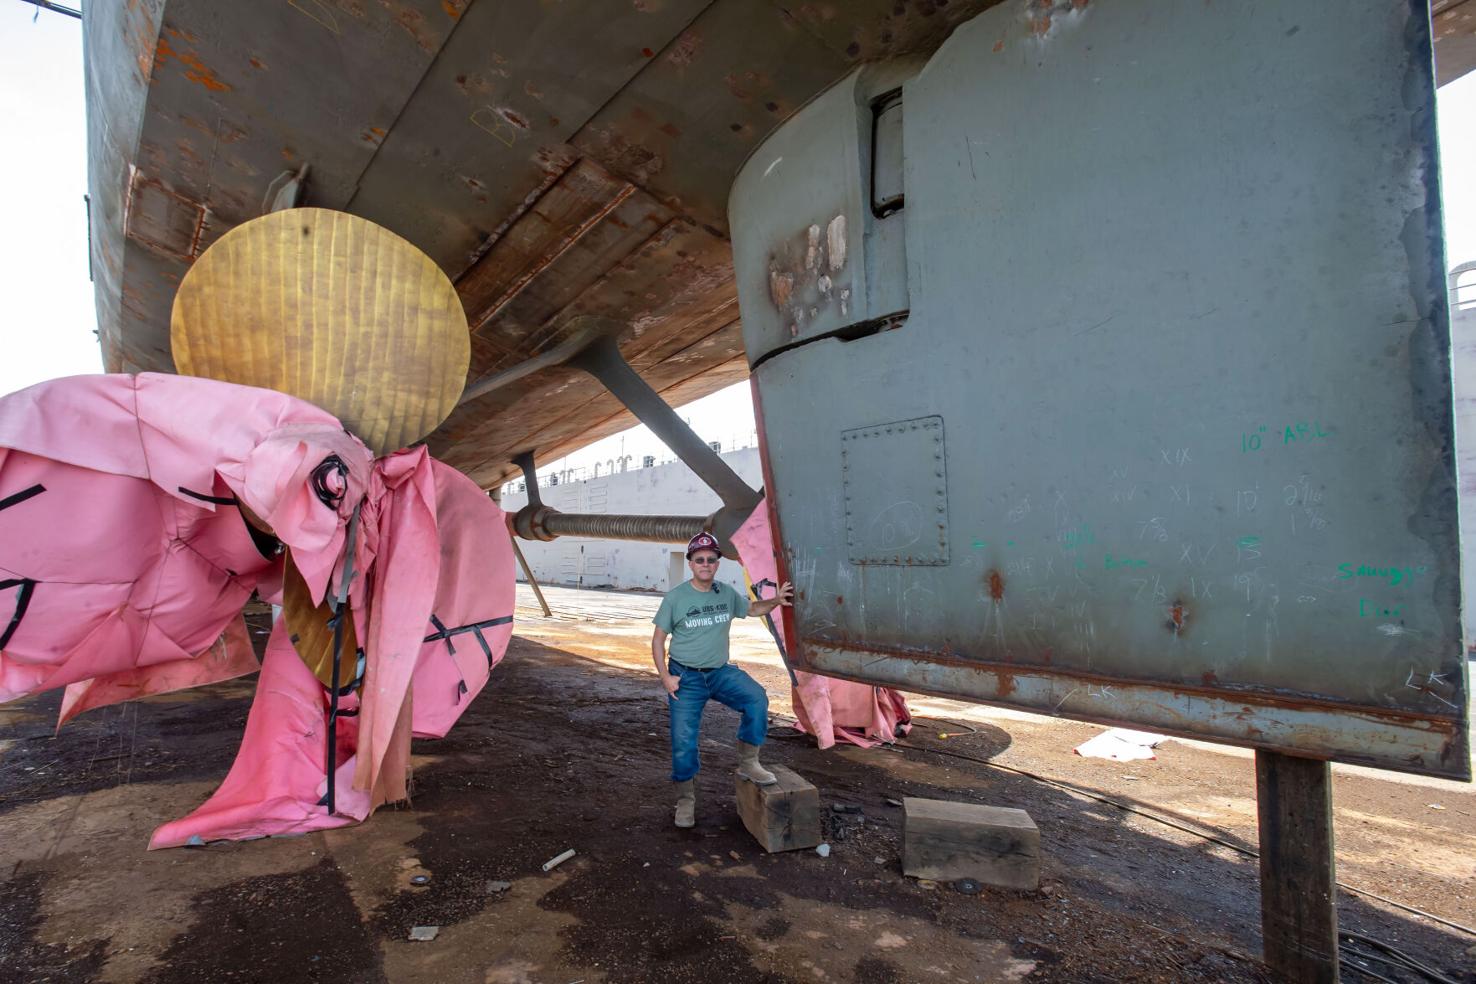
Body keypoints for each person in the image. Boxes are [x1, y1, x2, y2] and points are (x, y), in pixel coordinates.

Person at [652, 531, 793, 828]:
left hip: (719, 673)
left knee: (756, 698)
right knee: (682, 741)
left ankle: (749, 762)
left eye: (711, 560)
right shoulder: (676, 598)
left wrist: (777, 601)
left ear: (717, 564)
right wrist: (666, 677)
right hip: (685, 678)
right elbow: (658, 640)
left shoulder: (725, 594)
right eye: (700, 559)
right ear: (691, 563)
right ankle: (686, 800)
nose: (706, 564)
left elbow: (752, 609)